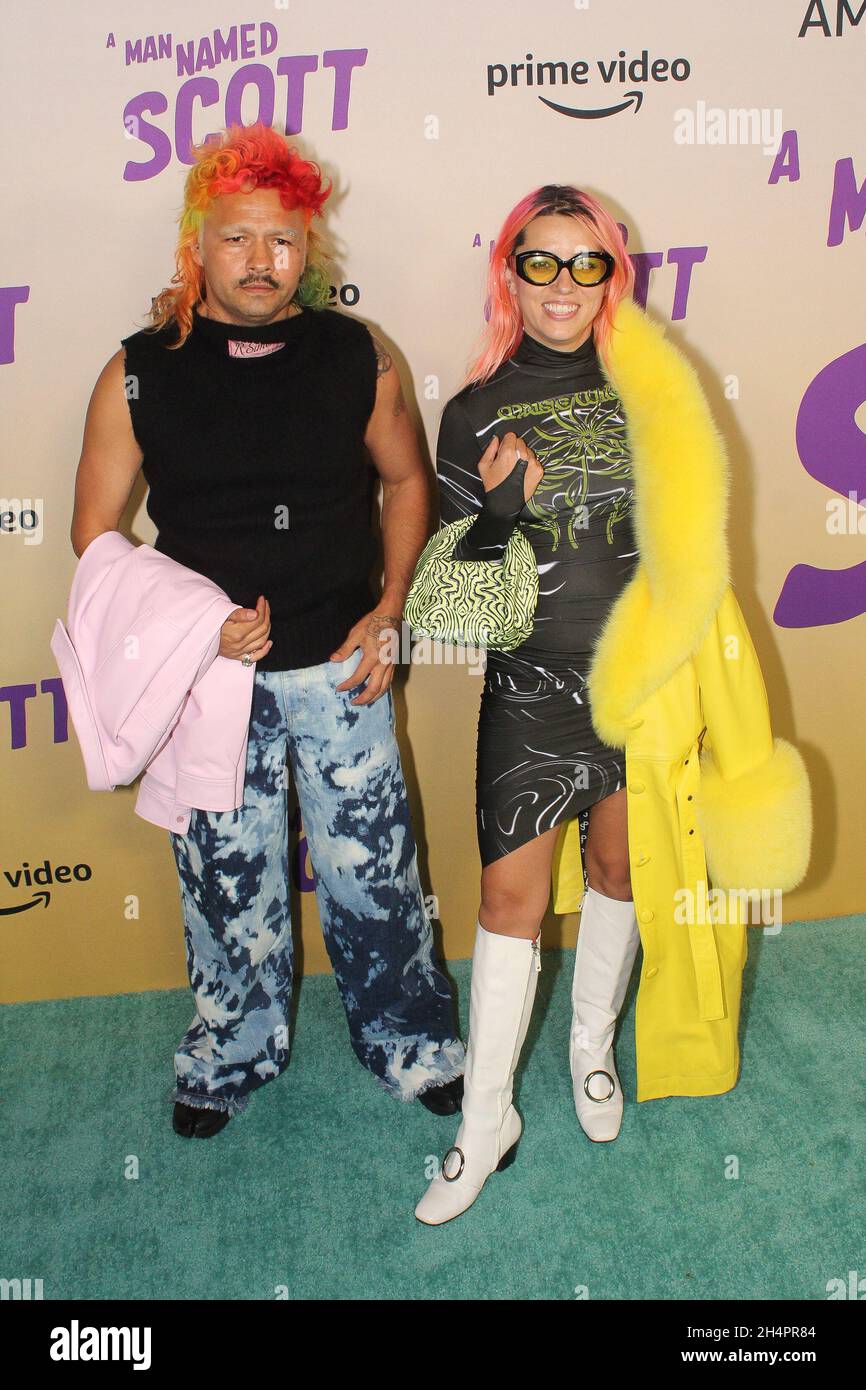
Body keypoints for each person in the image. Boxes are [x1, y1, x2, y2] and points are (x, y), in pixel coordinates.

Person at [413, 184, 811, 1224]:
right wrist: (497, 512)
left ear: (611, 274)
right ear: (509, 272)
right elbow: (455, 606)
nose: (562, 285)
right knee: (506, 902)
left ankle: (591, 1049)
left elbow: (694, 544)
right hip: (530, 690)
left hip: (643, 685)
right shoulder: (470, 409)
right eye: (539, 262)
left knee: (620, 868)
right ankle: (482, 1118)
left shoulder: (658, 391)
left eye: (585, 263)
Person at [69, 122, 465, 1139]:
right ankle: (231, 1051)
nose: (260, 260)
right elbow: (94, 539)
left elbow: (407, 481)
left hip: (343, 669)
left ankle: (410, 1043)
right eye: (236, 238)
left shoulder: (357, 354)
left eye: (281, 240)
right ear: (196, 246)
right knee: (225, 885)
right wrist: (196, 632)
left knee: (375, 877)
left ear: (309, 249)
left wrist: (387, 614)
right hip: (209, 689)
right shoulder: (138, 373)